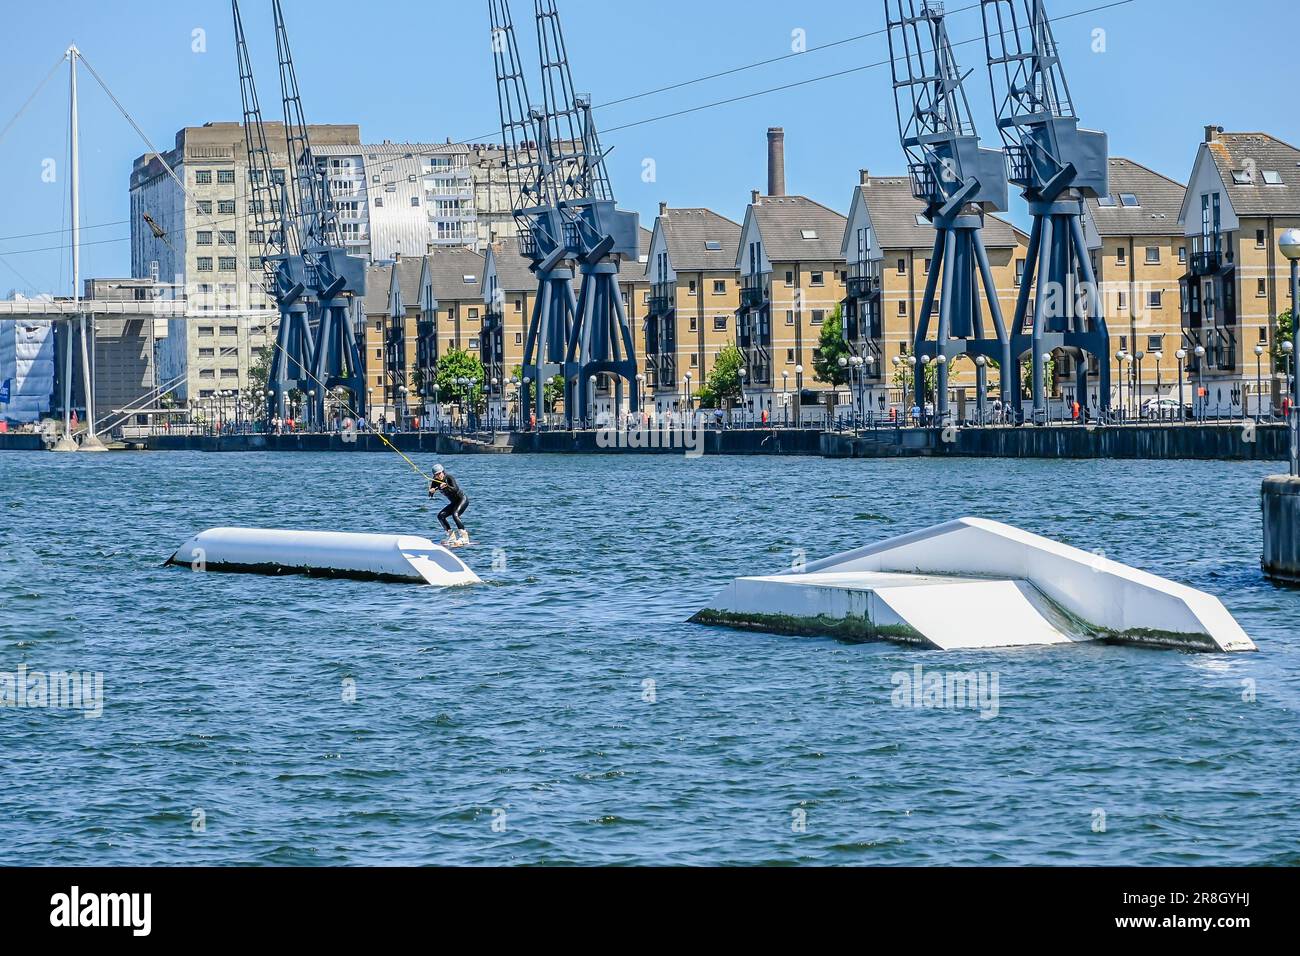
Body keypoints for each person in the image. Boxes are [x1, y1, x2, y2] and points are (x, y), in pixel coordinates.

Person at [428, 464, 470, 547]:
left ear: (443, 472)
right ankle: (452, 537)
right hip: (454, 502)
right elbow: (430, 494)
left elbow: (455, 489)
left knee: (455, 515)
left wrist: (446, 486)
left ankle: (464, 537)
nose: (438, 476)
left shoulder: (449, 478)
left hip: (462, 500)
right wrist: (431, 491)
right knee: (440, 516)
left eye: (439, 473)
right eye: (436, 474)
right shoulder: (435, 481)